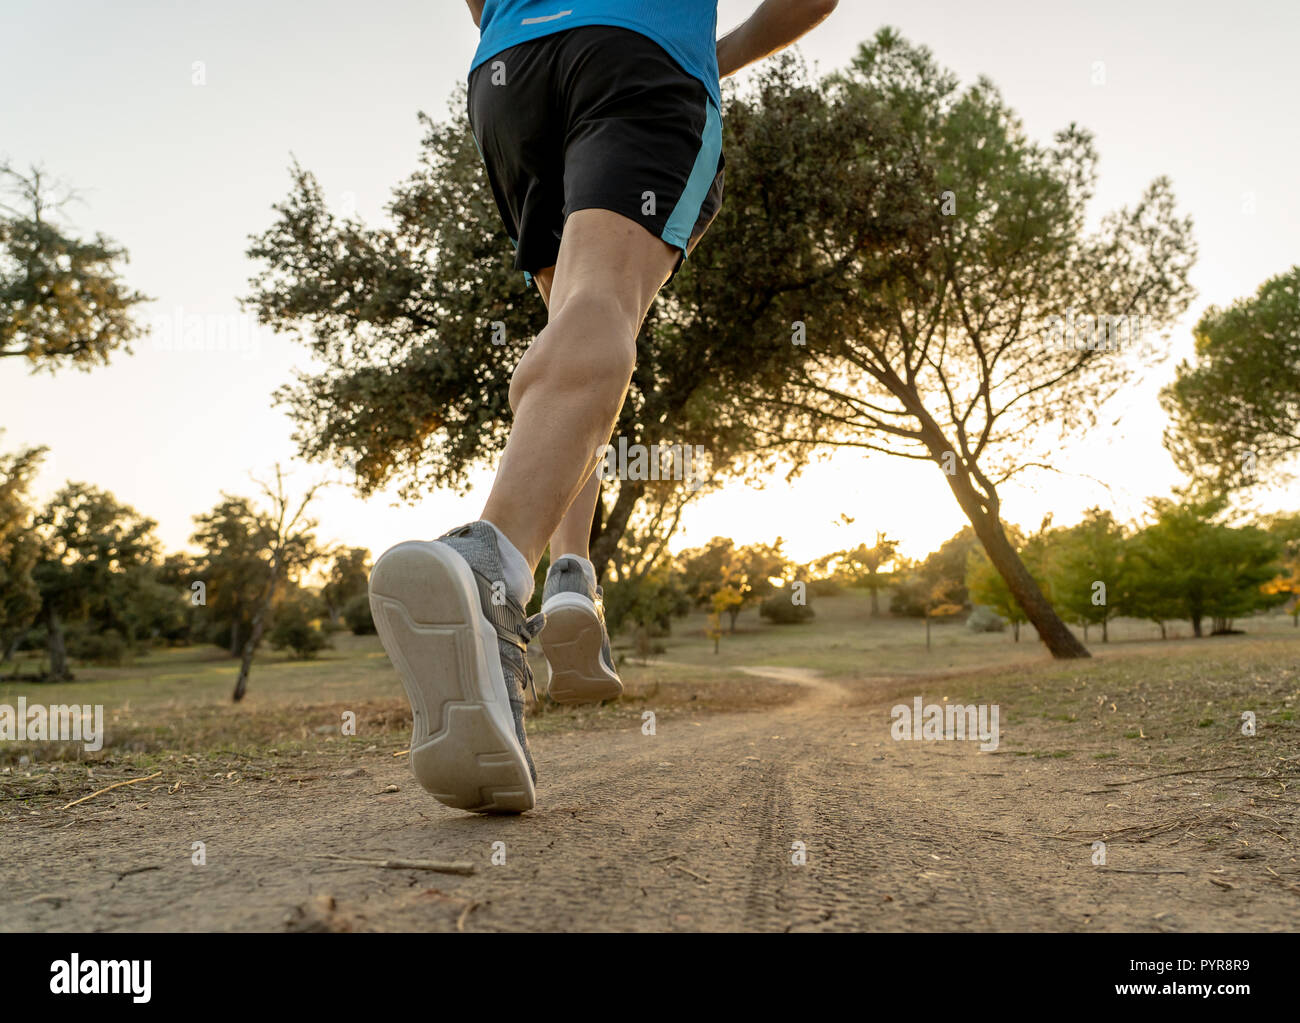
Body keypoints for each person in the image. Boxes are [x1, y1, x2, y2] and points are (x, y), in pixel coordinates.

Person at [368, 0, 839, 813]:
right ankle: (494, 568)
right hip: (637, 53)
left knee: (571, 322)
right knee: (604, 308)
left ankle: (569, 575)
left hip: (509, 75)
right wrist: (712, 55)